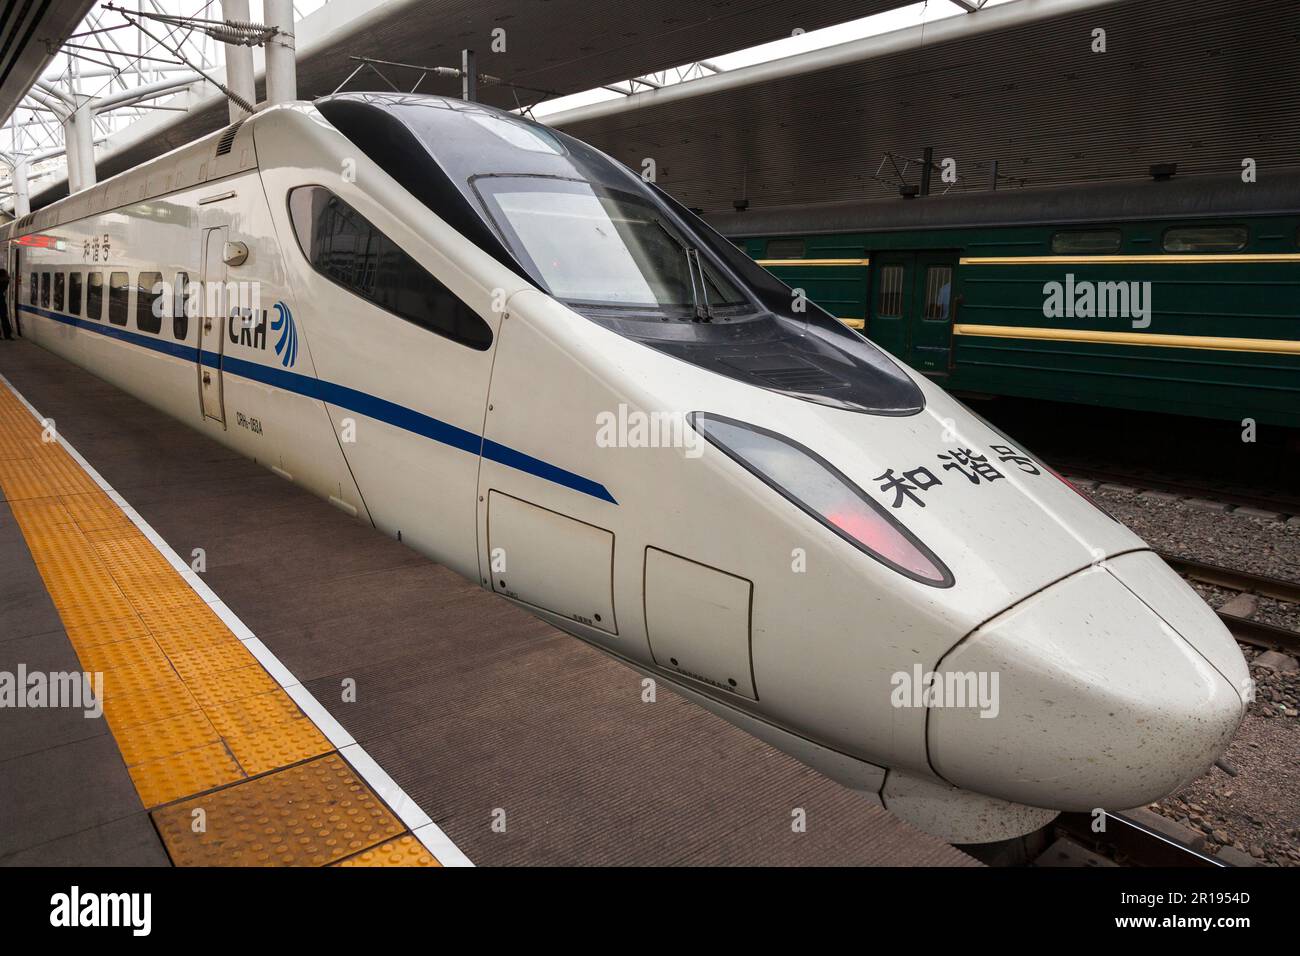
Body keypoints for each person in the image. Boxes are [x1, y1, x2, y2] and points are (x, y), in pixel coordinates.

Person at [0, 269, 13, 340]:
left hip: (2, 303)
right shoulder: (4, 283)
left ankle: (7, 335)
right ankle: (7, 335)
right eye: (6, 274)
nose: (7, 276)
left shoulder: (3, 282)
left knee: (4, 318)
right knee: (4, 319)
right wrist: (7, 279)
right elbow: (5, 286)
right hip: (1, 303)